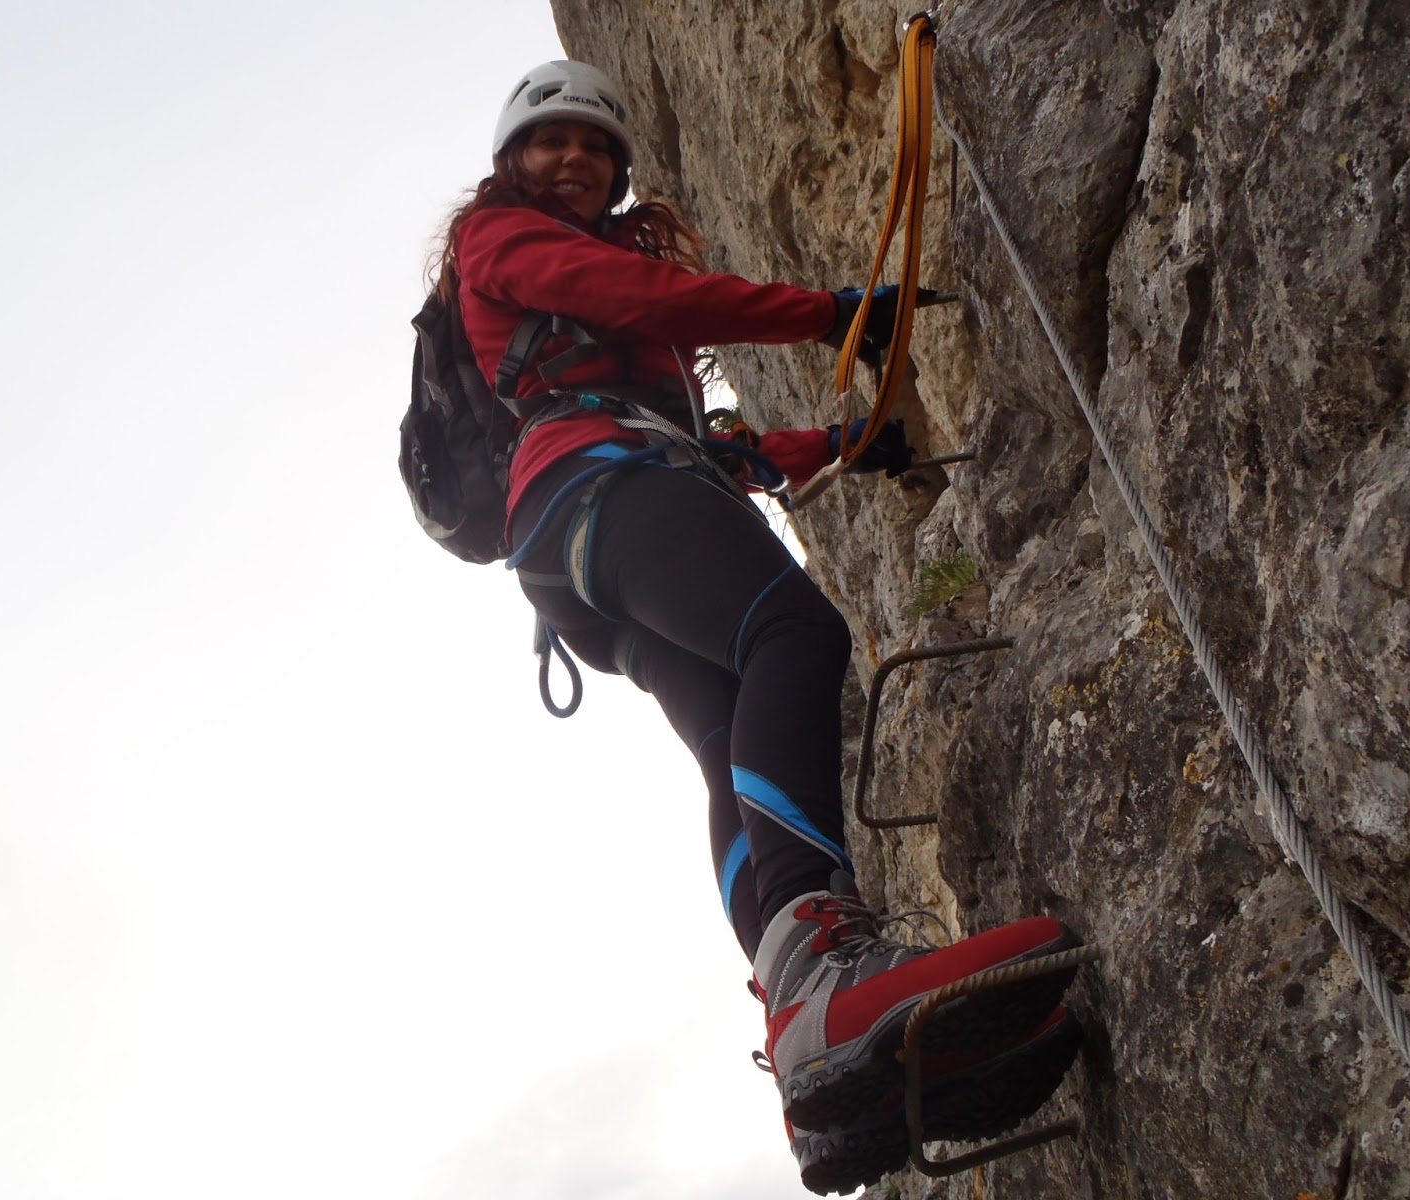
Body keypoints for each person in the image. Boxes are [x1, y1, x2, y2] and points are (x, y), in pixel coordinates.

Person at [433, 59, 1085, 1194]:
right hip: (598, 490)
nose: (576, 159)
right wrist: (825, 313)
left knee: (736, 729)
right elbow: (643, 304)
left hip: (586, 542)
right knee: (796, 632)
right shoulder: (500, 242)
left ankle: (808, 1046)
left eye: (595, 145)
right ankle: (824, 973)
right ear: (509, 166)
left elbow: (713, 450)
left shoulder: (570, 306)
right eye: (551, 144)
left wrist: (837, 444)